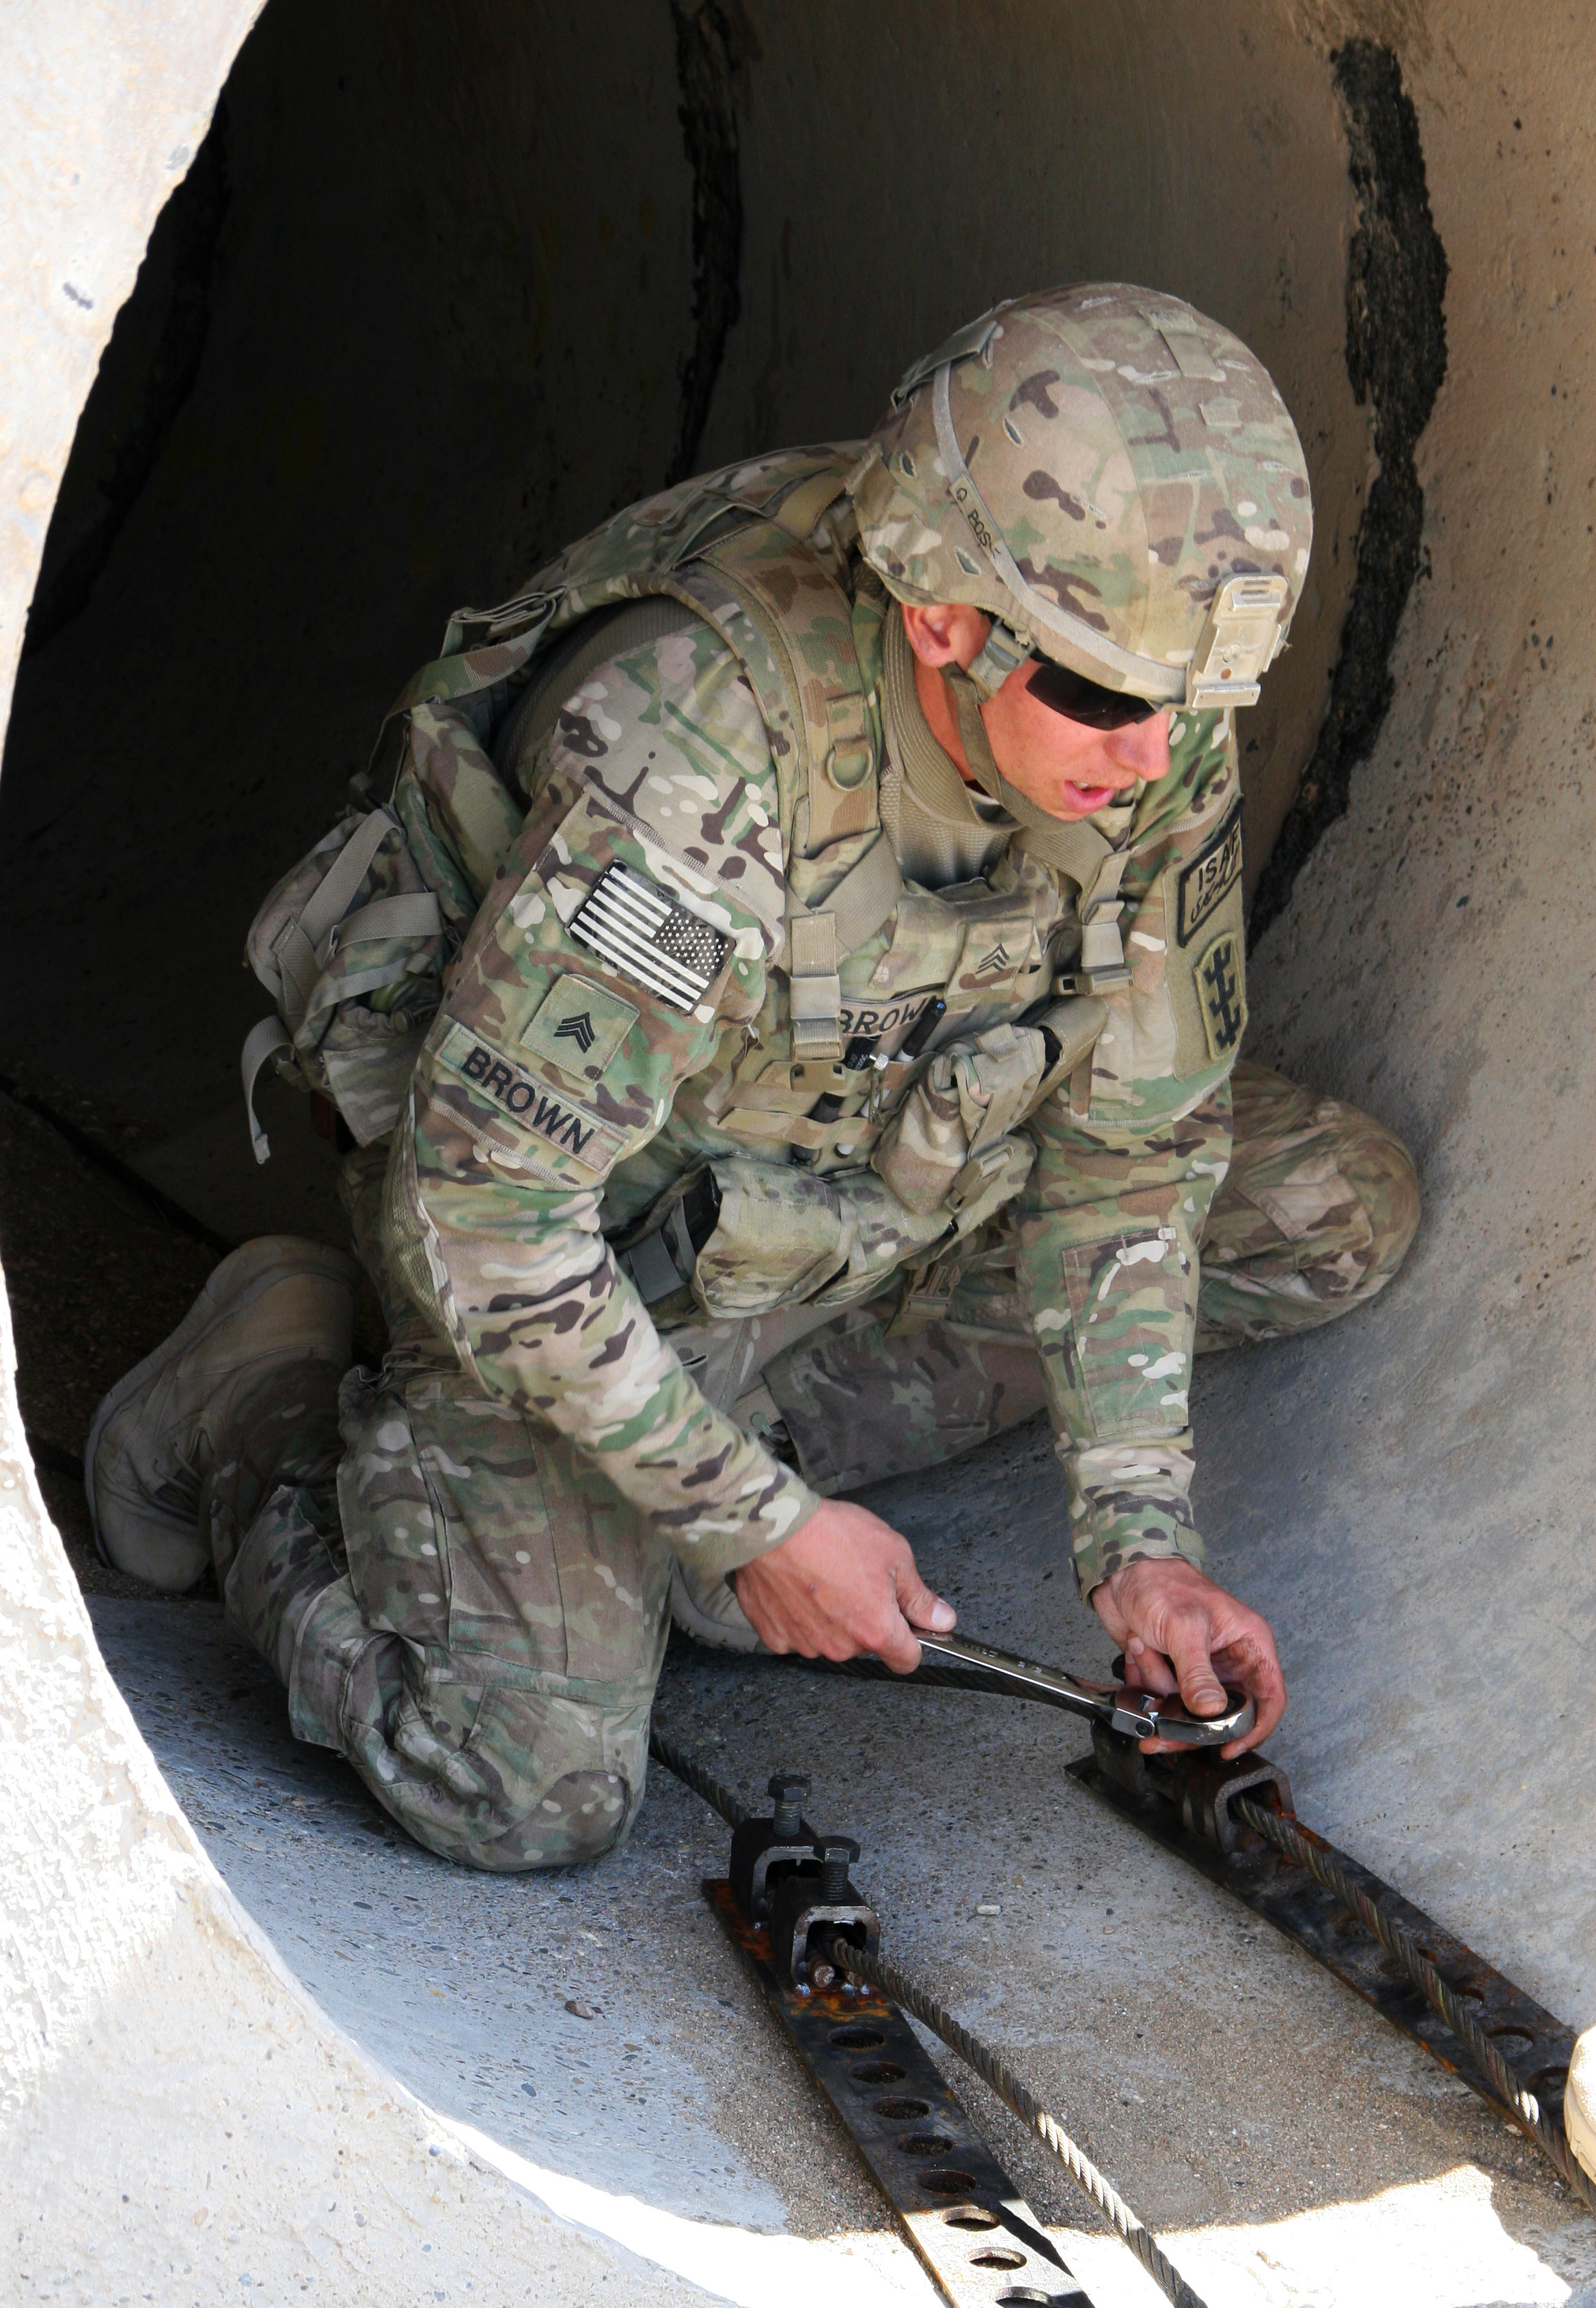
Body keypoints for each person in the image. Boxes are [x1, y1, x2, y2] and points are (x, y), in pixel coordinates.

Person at [86, 284, 1418, 1876]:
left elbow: (1136, 1155)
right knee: (521, 1786)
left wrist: (1140, 1549)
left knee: (1325, 1211)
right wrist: (756, 1523)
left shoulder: (1142, 712)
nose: (1161, 762)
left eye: (1205, 707)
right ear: (945, 620)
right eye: (1114, 704)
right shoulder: (701, 753)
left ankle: (707, 1485)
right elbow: (490, 1218)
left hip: (869, 1177)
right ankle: (267, 1398)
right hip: (579, 1262)